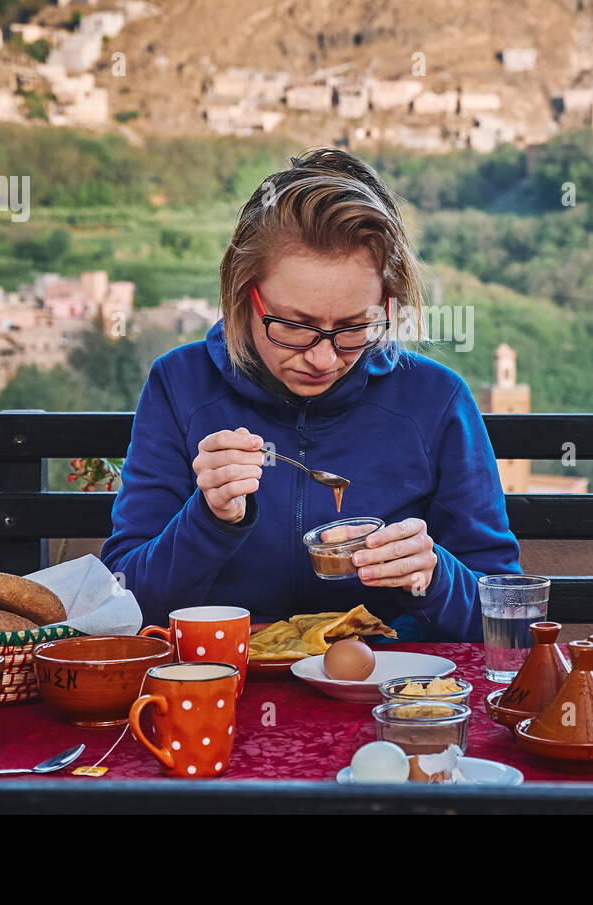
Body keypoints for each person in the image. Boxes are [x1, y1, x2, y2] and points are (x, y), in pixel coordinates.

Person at [101, 148, 522, 641]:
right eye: (294, 326)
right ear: (243, 295)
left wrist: (434, 576)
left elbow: (507, 620)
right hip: (224, 686)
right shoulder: (179, 386)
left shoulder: (436, 400)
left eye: (353, 326)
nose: (324, 360)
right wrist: (209, 519)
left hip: (386, 693)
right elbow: (126, 603)